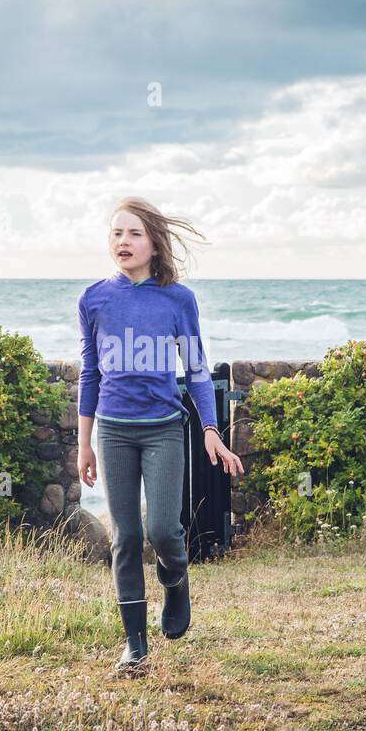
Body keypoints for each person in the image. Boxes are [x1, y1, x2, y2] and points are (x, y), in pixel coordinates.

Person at [76, 197, 244, 675]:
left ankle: (176, 581)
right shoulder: (94, 299)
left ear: (153, 242)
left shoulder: (177, 300)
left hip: (164, 430)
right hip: (113, 431)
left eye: (133, 234)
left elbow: (195, 370)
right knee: (125, 537)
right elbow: (90, 374)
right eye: (115, 234)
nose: (122, 242)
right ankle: (135, 645)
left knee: (163, 532)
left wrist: (210, 429)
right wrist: (83, 443)